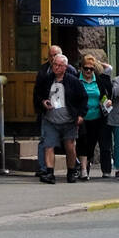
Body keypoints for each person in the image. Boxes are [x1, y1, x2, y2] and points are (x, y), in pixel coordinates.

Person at [33, 53, 86, 184]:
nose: (56, 67)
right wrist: (43, 102)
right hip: (50, 119)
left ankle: (71, 171)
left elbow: (83, 98)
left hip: (68, 120)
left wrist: (80, 115)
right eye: (54, 65)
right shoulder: (47, 79)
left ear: (65, 67)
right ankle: (49, 173)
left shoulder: (73, 81)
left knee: (70, 146)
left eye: (60, 65)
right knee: (48, 145)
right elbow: (38, 94)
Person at [76, 55, 113, 180]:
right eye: (86, 68)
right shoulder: (77, 80)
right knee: (83, 142)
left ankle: (88, 166)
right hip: (82, 117)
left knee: (93, 143)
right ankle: (83, 170)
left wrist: (107, 101)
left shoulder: (99, 80)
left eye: (91, 69)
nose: (88, 71)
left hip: (98, 116)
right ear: (81, 68)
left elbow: (104, 94)